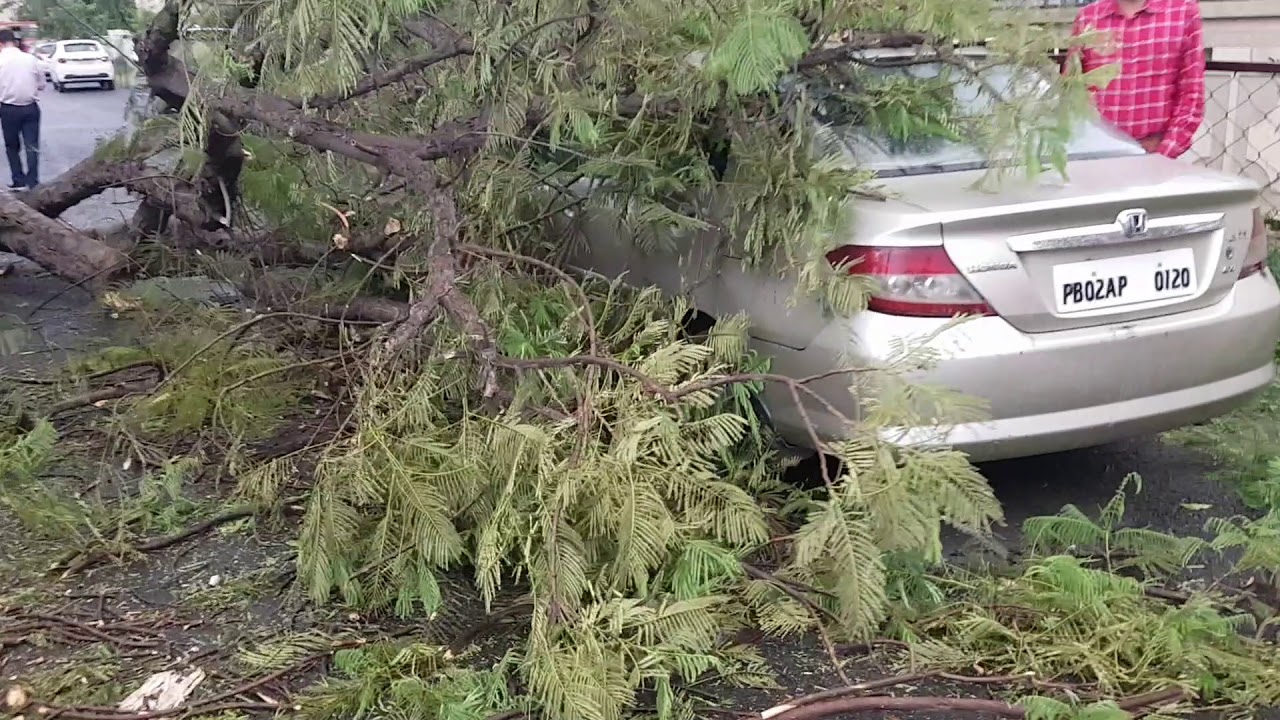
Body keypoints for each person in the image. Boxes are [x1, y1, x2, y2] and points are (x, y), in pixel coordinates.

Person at [1067, 0, 1206, 159]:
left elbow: (1192, 96)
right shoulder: (1088, 17)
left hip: (1155, 153)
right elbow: (1070, 93)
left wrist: (1162, 156)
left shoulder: (1183, 12)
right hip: (1097, 156)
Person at [0, 28, 43, 189]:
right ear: (15, 42)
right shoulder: (30, 59)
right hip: (30, 107)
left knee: (12, 146)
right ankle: (33, 181)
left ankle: (18, 179)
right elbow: (42, 84)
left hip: (8, 109)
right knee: (32, 146)